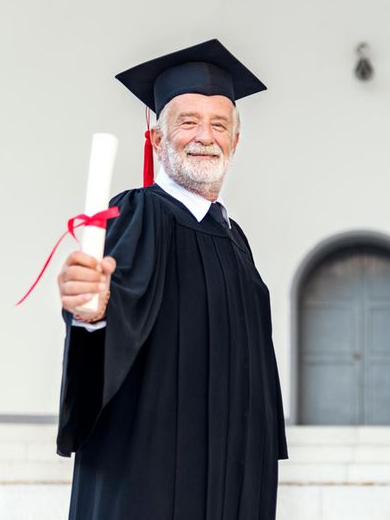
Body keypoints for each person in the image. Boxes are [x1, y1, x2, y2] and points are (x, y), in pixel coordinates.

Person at [54, 39, 288, 520]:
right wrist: (92, 313)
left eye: (219, 124)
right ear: (159, 140)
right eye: (188, 122)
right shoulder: (137, 214)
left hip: (233, 473)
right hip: (148, 473)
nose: (205, 135)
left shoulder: (234, 238)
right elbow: (107, 306)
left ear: (235, 141)